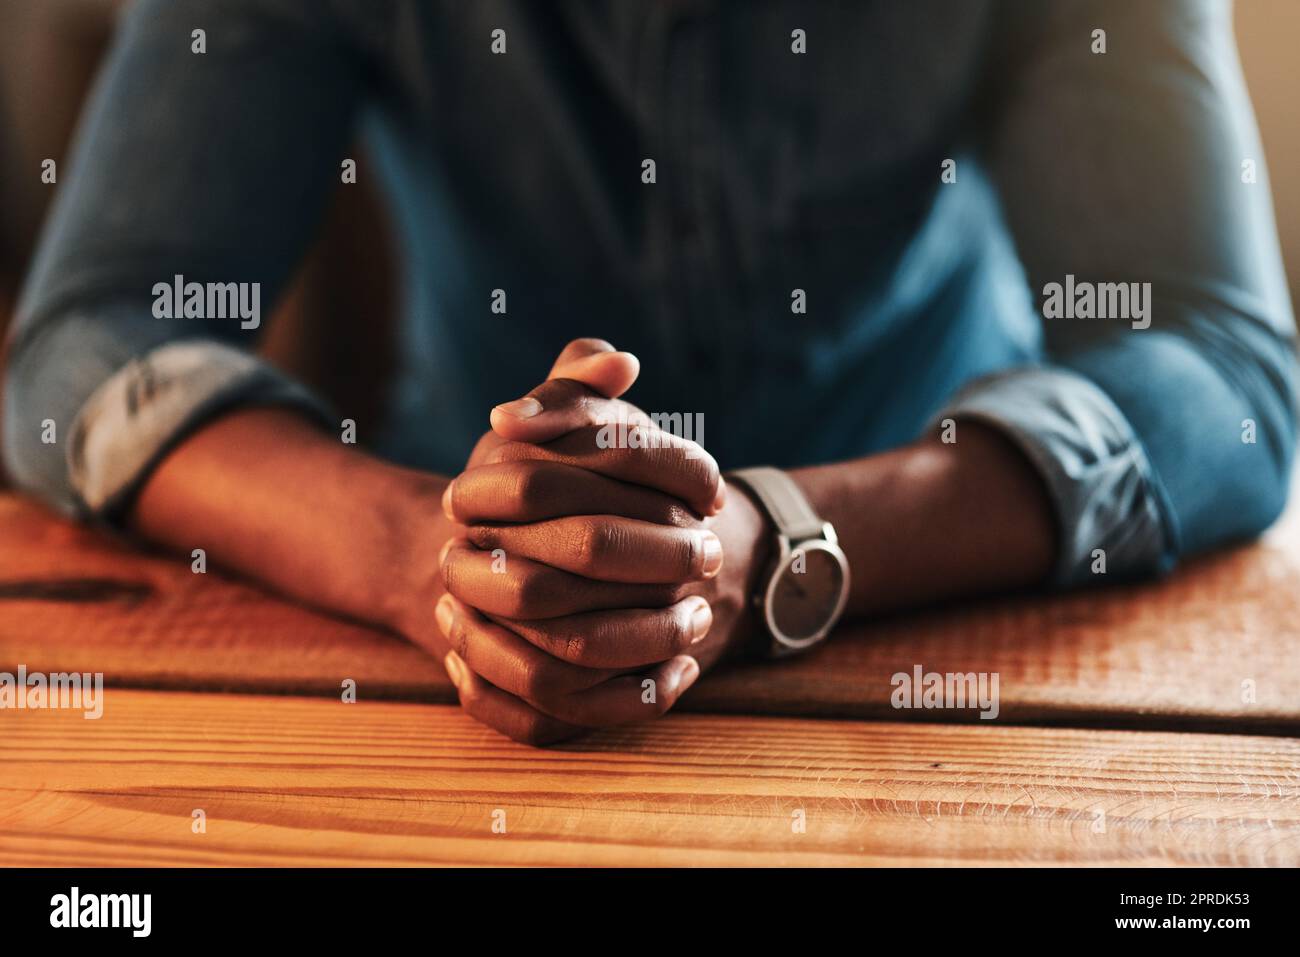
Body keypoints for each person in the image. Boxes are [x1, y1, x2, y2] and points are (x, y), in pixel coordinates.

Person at [3, 0, 1295, 744]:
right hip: (467, 630)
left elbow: (1227, 375)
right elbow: (80, 342)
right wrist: (427, 557)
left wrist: (776, 539)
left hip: (959, 608)